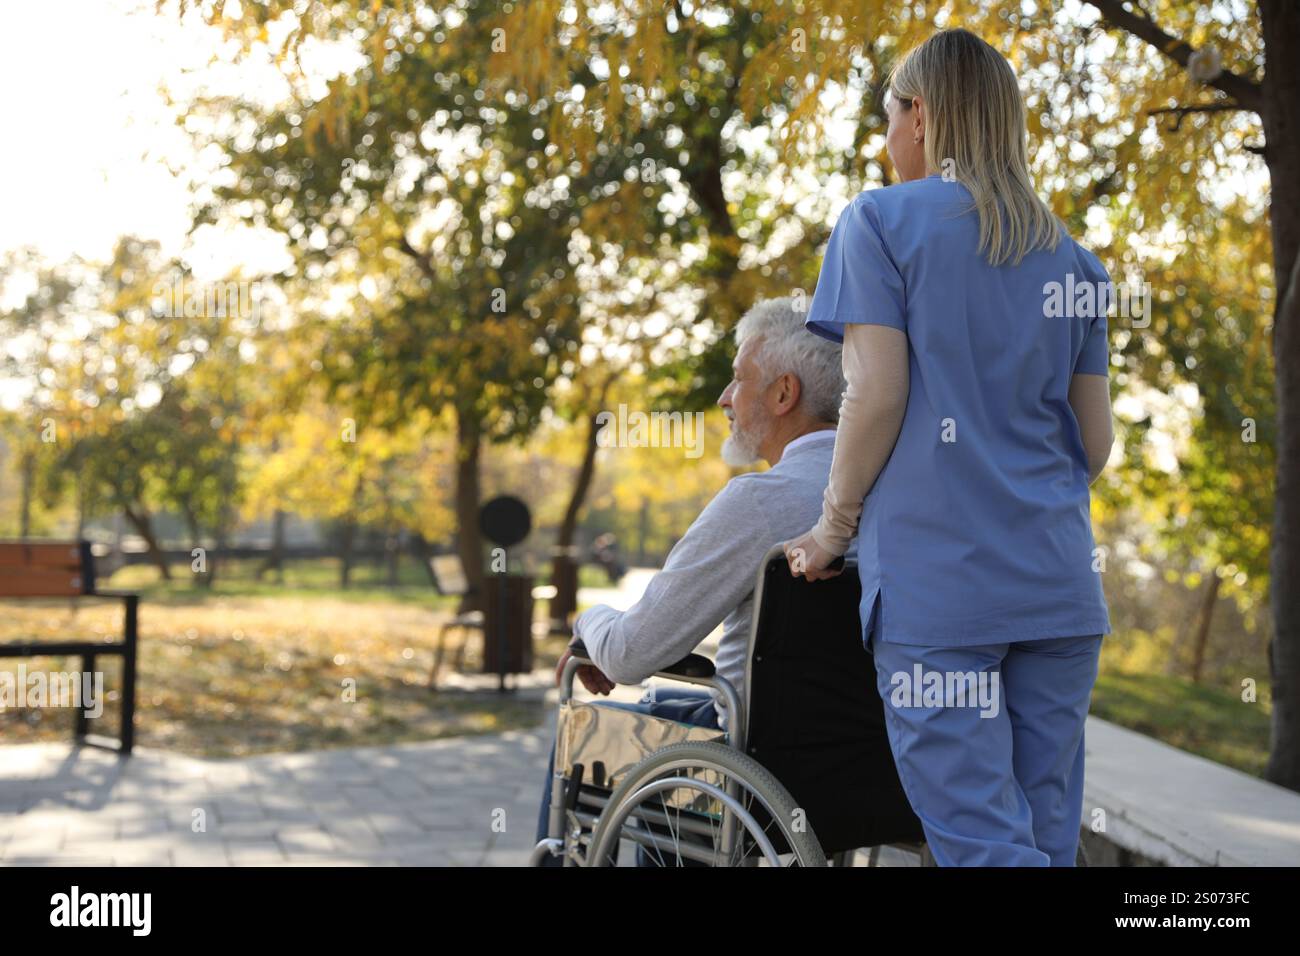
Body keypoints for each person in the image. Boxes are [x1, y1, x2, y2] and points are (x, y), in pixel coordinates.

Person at [783, 28, 1114, 867]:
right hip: (1058, 588)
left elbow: (876, 395)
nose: (887, 136)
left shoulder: (879, 223)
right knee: (1042, 839)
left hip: (942, 593)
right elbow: (1094, 444)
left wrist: (831, 530)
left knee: (979, 845)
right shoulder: (1073, 258)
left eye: (890, 114)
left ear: (921, 116)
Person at [534, 296, 850, 865]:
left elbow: (630, 653)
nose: (725, 398)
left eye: (737, 379)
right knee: (661, 699)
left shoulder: (760, 502)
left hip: (756, 770)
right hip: (868, 770)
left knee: (581, 735)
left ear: (784, 393)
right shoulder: (900, 494)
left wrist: (589, 622)